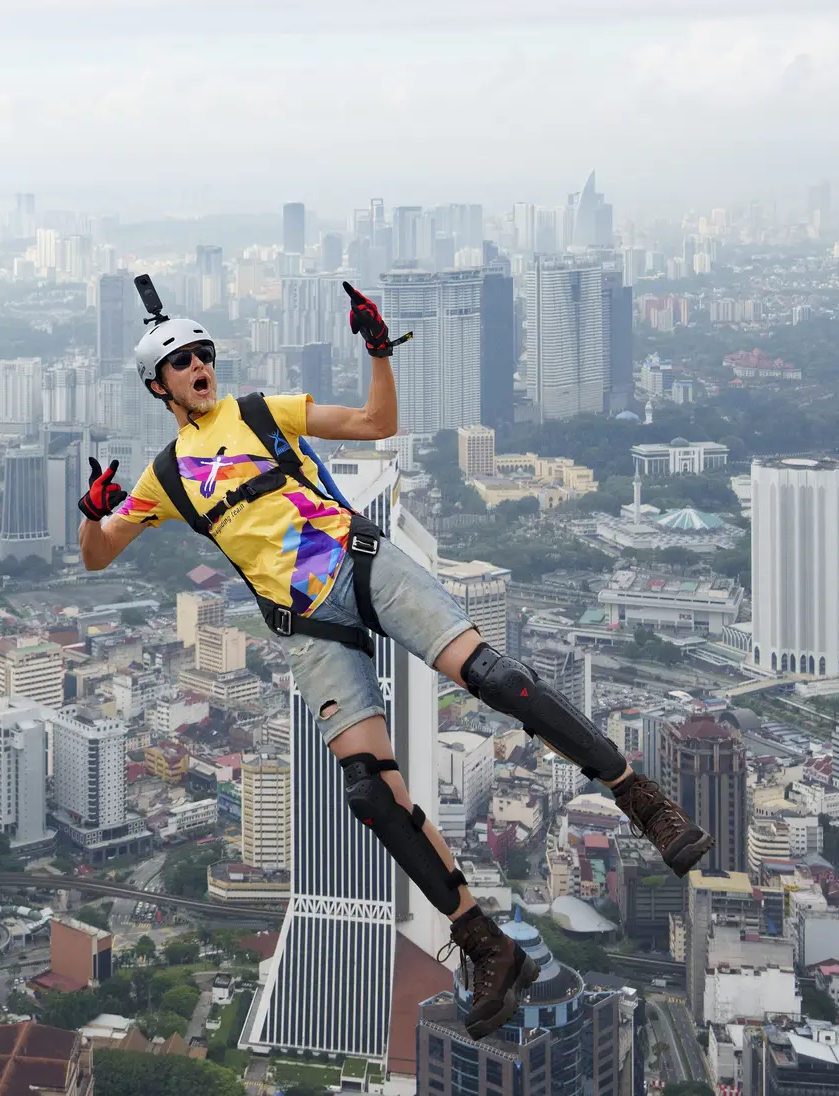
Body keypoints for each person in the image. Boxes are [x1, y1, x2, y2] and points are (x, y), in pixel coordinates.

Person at [76, 277, 711, 1038]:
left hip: (360, 562)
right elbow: (100, 555)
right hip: (305, 622)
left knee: (496, 679)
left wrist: (378, 351)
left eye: (205, 352)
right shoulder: (167, 476)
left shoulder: (259, 412)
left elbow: (377, 420)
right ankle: (486, 945)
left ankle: (641, 798)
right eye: (182, 362)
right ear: (159, 386)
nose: (200, 365)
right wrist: (91, 515)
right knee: (370, 795)